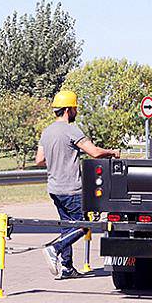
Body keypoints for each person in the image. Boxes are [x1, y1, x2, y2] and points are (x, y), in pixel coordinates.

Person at [35, 89, 120, 279]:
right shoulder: (71, 130)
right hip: (71, 189)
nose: (76, 111)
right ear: (68, 110)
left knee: (68, 226)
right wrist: (112, 152)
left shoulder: (47, 132)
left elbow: (39, 160)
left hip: (54, 188)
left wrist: (57, 158)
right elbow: (94, 152)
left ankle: (67, 268)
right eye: (75, 108)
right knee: (84, 225)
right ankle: (54, 248)